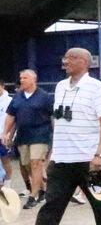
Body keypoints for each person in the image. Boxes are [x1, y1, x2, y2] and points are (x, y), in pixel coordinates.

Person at [2, 48, 101, 225]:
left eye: (70, 58)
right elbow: (59, 122)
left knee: (100, 204)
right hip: (62, 160)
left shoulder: (95, 87)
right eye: (65, 58)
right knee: (50, 207)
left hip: (88, 160)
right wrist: (53, 154)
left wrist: (98, 154)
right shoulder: (60, 87)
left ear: (83, 62)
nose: (65, 62)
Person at [3, 70, 54, 209]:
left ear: (33, 79)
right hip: (23, 136)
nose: (22, 80)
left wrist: (56, 137)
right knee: (26, 166)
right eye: (21, 78)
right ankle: (42, 189)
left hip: (40, 135)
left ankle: (34, 195)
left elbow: (53, 117)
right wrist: (6, 133)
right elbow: (11, 116)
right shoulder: (17, 98)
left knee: (35, 162)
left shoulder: (45, 97)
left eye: (25, 78)